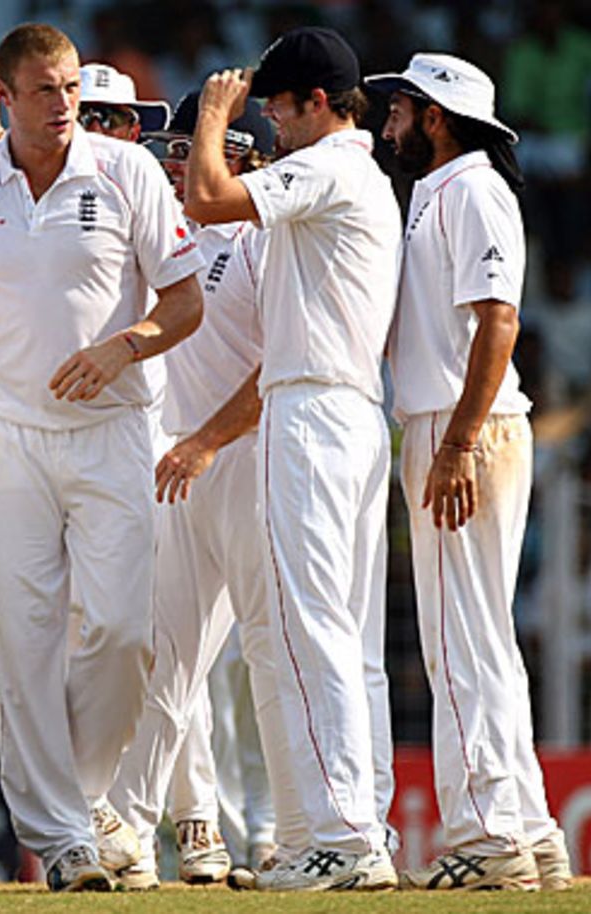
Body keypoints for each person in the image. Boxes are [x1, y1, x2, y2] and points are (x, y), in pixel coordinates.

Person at [0, 23, 206, 892]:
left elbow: (186, 300)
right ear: (6, 97)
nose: (63, 106)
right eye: (45, 91)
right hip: (6, 435)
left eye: (72, 89)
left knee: (122, 632)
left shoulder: (124, 174)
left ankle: (87, 801)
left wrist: (126, 346)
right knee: (23, 640)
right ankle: (63, 838)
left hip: (115, 430)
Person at [183, 27, 401, 890]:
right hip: (344, 410)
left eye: (277, 104)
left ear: (319, 102)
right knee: (333, 633)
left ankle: (344, 840)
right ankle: (334, 829)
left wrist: (209, 115)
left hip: (311, 410)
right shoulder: (356, 176)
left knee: (308, 629)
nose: (265, 120)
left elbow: (205, 199)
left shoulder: (334, 164)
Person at [370, 53, 573, 892]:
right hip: (454, 424)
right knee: (478, 639)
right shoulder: (439, 190)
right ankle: (527, 828)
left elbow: (498, 322)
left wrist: (454, 444)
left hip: (468, 430)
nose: (388, 123)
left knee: (461, 643)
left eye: (401, 109)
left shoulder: (474, 186)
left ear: (437, 116)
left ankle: (489, 837)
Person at [106, 91, 292, 891]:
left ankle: (293, 837)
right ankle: (129, 833)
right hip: (181, 468)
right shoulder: (171, 238)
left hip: (245, 465)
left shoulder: (267, 239)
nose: (174, 161)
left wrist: (207, 442)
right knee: (166, 660)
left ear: (243, 157)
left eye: (190, 147)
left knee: (269, 654)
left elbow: (278, 365)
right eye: (172, 147)